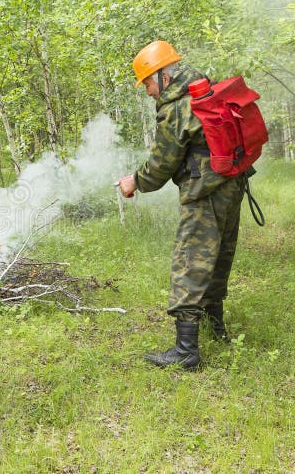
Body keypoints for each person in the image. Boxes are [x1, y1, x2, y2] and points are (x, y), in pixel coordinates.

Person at [117, 40, 245, 370]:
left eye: (146, 82)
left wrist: (134, 181)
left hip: (205, 192)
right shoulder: (204, 87)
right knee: (219, 256)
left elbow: (161, 165)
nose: (147, 92)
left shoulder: (176, 106)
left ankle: (187, 350)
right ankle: (216, 328)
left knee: (190, 261)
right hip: (232, 185)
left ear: (162, 75)